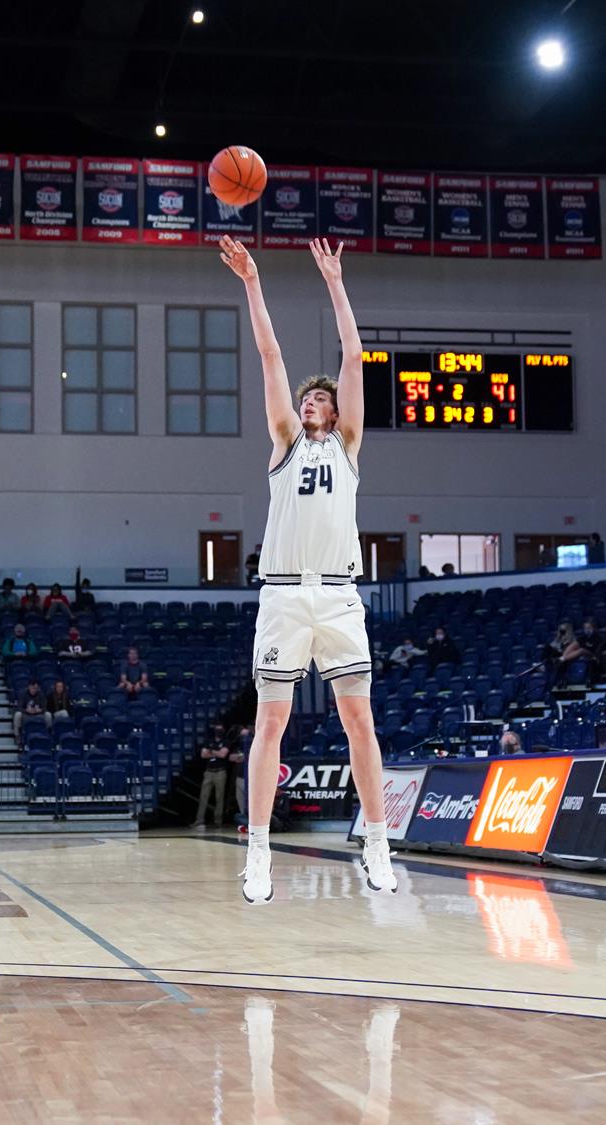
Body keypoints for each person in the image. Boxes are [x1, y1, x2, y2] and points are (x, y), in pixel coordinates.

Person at [219, 232, 396, 903]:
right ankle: (258, 850)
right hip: (286, 597)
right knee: (271, 721)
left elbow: (353, 354)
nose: (311, 403)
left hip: (341, 595)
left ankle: (377, 841)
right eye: (308, 399)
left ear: (336, 411)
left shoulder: (348, 445)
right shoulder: (286, 442)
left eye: (321, 399)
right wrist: (253, 281)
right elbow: (269, 352)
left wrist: (334, 282)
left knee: (360, 721)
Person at [195, 724, 231, 828]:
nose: (218, 731)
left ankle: (218, 821)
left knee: (219, 797)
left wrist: (211, 751)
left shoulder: (226, 742)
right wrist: (217, 752)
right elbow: (203, 755)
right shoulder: (208, 741)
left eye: (220, 729)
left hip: (220, 772)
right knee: (203, 796)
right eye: (217, 729)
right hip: (209, 772)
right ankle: (199, 820)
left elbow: (223, 755)